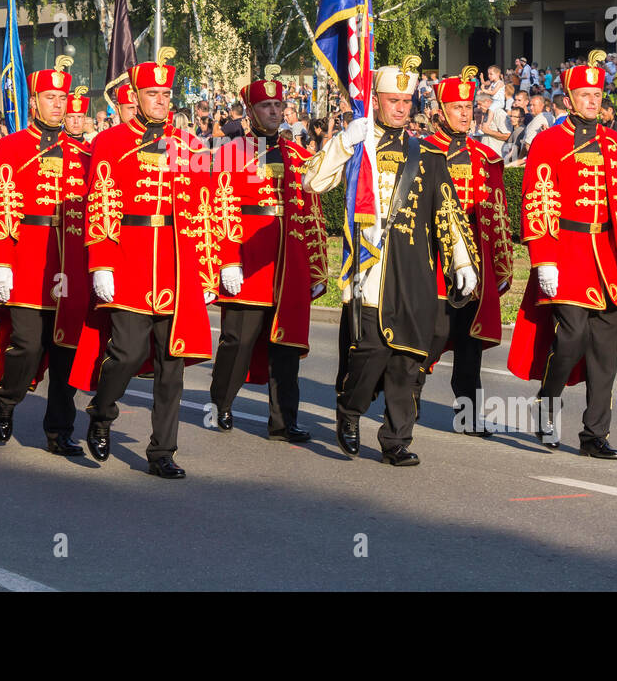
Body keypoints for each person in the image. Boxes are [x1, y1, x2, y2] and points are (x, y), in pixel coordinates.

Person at [304, 58, 478, 467]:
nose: (401, 107)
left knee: (408, 359)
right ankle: (349, 411)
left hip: (414, 267)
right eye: (392, 100)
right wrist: (345, 140)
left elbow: (448, 212)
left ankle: (396, 439)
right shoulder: (358, 148)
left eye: (406, 100)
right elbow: (313, 182)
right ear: (375, 100)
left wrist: (461, 261)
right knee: (371, 354)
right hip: (370, 270)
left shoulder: (429, 155)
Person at [71, 56, 233, 480]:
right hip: (129, 260)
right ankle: (102, 411)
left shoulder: (192, 145)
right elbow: (101, 201)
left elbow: (207, 208)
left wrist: (211, 268)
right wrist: (101, 263)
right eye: (151, 94)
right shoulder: (111, 142)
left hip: (179, 268)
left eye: (165, 95)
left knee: (171, 365)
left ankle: (162, 451)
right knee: (124, 353)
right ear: (137, 97)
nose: (160, 102)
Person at [508, 51, 617, 459]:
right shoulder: (548, 142)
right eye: (584, 95)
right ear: (568, 100)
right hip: (565, 252)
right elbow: (537, 198)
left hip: (607, 259)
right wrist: (543, 257)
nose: (592, 101)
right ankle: (548, 400)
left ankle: (594, 435)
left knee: (605, 353)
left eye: (597, 94)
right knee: (570, 339)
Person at [0, 61, 91, 457]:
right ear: (33, 102)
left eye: (62, 98)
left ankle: (59, 430)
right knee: (27, 346)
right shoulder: (11, 145)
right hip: (28, 257)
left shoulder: (83, 151)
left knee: (67, 350)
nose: (58, 105)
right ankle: (8, 398)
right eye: (50, 98)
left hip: (70, 261)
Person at [208, 75, 328, 444]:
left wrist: (316, 265)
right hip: (249, 259)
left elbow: (313, 212)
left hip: (289, 262)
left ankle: (283, 421)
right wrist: (228, 259)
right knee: (237, 341)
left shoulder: (299, 155)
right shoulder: (232, 152)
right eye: (266, 106)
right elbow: (219, 207)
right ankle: (220, 404)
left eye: (278, 106)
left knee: (286, 346)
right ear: (250, 111)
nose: (274, 112)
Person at [423, 68, 515, 436]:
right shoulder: (420, 152)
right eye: (456, 107)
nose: (465, 113)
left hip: (474, 264)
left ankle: (469, 417)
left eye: (468, 106)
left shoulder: (485, 158)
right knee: (430, 334)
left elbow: (497, 215)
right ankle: (406, 399)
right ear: (439, 112)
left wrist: (500, 265)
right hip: (432, 261)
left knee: (470, 342)